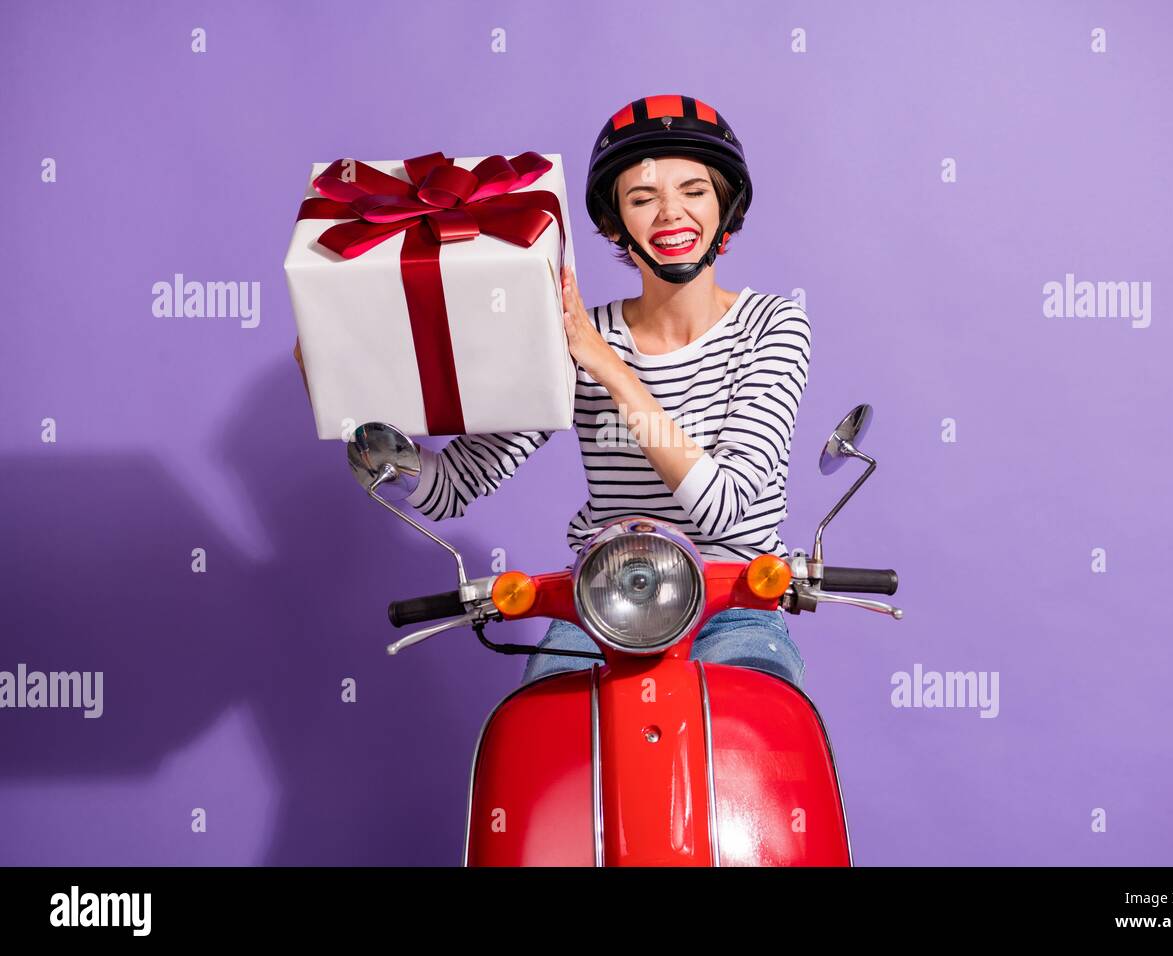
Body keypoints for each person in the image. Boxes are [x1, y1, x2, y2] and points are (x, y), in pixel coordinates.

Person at [295, 94, 811, 687]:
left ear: (727, 205)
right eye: (643, 198)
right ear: (615, 224)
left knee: (756, 728)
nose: (671, 213)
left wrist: (608, 364)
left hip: (735, 605)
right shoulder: (580, 337)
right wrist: (349, 409)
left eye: (694, 191)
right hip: (601, 607)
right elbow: (452, 487)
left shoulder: (772, 326)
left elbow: (724, 508)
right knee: (542, 731)